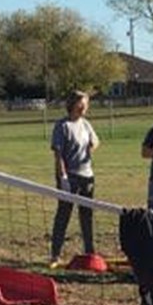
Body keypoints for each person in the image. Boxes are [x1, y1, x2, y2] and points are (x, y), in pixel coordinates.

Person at [48, 90, 100, 263]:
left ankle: (90, 252)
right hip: (70, 177)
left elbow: (96, 141)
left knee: (86, 215)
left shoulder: (85, 124)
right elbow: (58, 155)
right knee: (64, 214)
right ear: (73, 104)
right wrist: (63, 178)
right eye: (82, 103)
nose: (85, 107)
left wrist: (92, 146)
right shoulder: (62, 126)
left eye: (86, 104)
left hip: (87, 176)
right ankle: (55, 254)